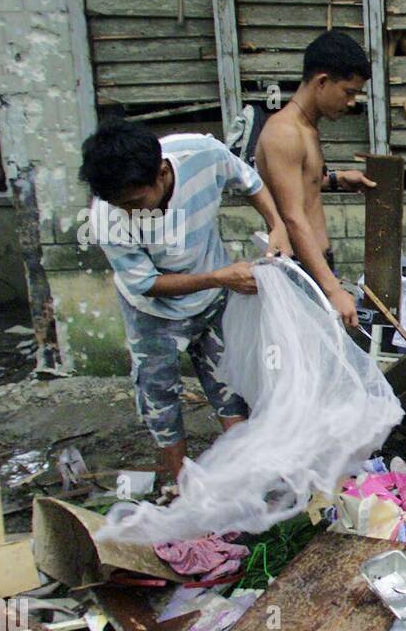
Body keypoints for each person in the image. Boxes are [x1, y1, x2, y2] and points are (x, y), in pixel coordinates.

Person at [78, 118, 291, 481]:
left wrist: (277, 225)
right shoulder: (106, 216)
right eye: (120, 205)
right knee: (159, 392)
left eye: (134, 202)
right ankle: (180, 483)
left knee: (228, 379)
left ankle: (250, 474)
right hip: (153, 311)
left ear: (161, 173)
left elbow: (250, 181)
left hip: (212, 296)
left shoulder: (203, 154)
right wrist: (218, 277)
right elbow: (146, 283)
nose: (129, 212)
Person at [255, 30, 375, 328]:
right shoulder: (284, 132)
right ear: (322, 81)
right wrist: (333, 289)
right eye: (348, 92)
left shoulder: (307, 128)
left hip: (315, 268)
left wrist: (336, 179)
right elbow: (293, 217)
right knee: (304, 372)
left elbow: (297, 184)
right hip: (298, 271)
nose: (351, 103)